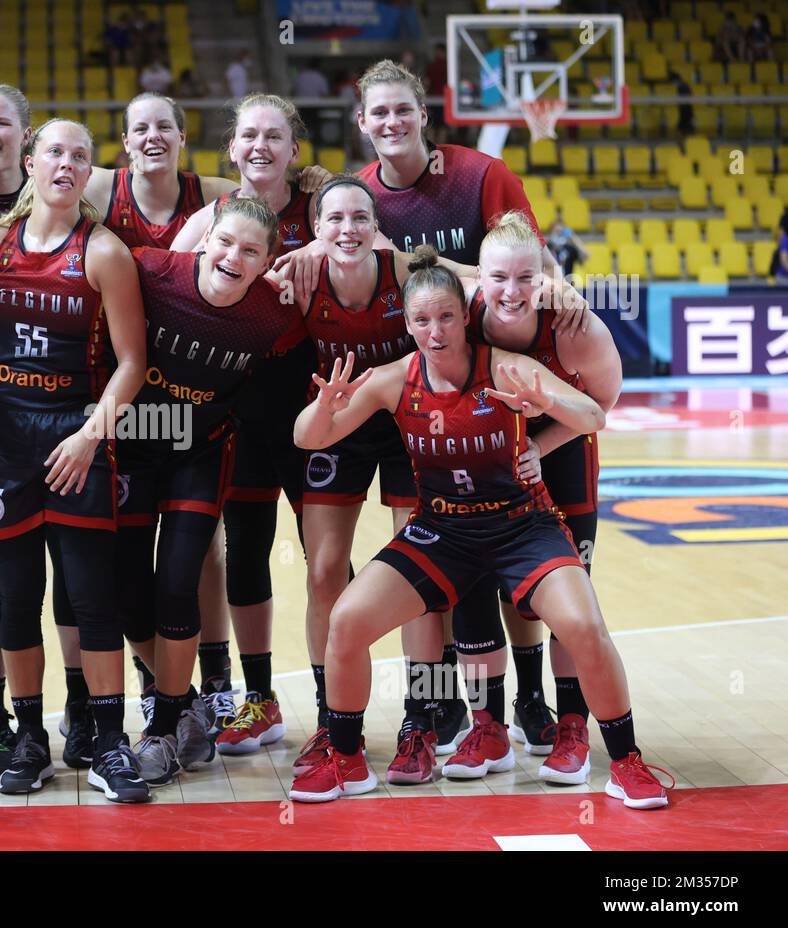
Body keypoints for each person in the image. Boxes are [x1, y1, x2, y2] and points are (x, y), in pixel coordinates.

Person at [289, 248, 671, 810]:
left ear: (464, 317)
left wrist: (545, 400)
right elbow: (307, 438)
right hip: (443, 532)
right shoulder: (395, 379)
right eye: (422, 320)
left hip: (524, 526)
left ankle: (626, 761)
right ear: (408, 324)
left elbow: (594, 416)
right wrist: (326, 407)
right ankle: (345, 759)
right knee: (346, 620)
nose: (435, 330)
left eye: (446, 317)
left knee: (585, 625)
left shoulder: (506, 367)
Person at [280, 59, 570, 750]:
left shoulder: (478, 176)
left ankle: (525, 700)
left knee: (505, 565)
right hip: (389, 397)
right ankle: (410, 711)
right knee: (423, 561)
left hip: (479, 393)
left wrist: (416, 263)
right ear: (361, 123)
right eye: (377, 113)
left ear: (424, 114)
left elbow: (533, 274)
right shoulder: (357, 205)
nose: (390, 123)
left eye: (402, 111)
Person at [0, 119, 151, 803]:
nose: (67, 163)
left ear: (88, 174)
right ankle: (30, 737)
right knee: (17, 598)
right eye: (55, 152)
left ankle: (109, 741)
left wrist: (90, 435)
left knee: (92, 597)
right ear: (31, 163)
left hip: (76, 439)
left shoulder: (105, 253)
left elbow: (133, 364)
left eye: (80, 156)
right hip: (3, 439)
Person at [283, 176, 476, 783]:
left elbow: (478, 280)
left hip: (406, 419)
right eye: (334, 219)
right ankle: (332, 717)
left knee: (420, 570)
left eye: (360, 218)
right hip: (339, 418)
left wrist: (547, 283)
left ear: (378, 227)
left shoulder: (405, 269)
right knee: (323, 568)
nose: (347, 230)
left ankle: (423, 717)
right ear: (316, 230)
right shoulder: (297, 281)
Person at [121, 197, 306, 784]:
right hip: (129, 447)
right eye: (226, 242)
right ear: (203, 240)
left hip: (199, 456)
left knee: (179, 582)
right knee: (127, 594)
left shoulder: (275, 314)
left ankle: (167, 725)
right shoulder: (148, 270)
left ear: (267, 262)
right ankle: (190, 705)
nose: (235, 256)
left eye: (252, 251)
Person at [173, 94, 319, 754]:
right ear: (231, 148)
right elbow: (171, 287)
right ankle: (257, 701)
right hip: (240, 401)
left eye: (275, 136)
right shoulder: (212, 218)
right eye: (248, 136)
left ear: (295, 150)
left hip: (317, 398)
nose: (260, 145)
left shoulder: (325, 207)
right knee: (245, 551)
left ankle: (334, 707)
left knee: (327, 561)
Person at [456, 211, 620, 783]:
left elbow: (602, 406)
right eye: (498, 279)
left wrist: (543, 444)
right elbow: (409, 267)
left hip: (565, 457)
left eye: (526, 279)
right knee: (474, 580)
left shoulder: (575, 325)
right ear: (480, 276)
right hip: (485, 460)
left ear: (544, 278)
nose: (511, 292)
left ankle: (573, 726)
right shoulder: (463, 308)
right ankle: (489, 726)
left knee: (570, 598)